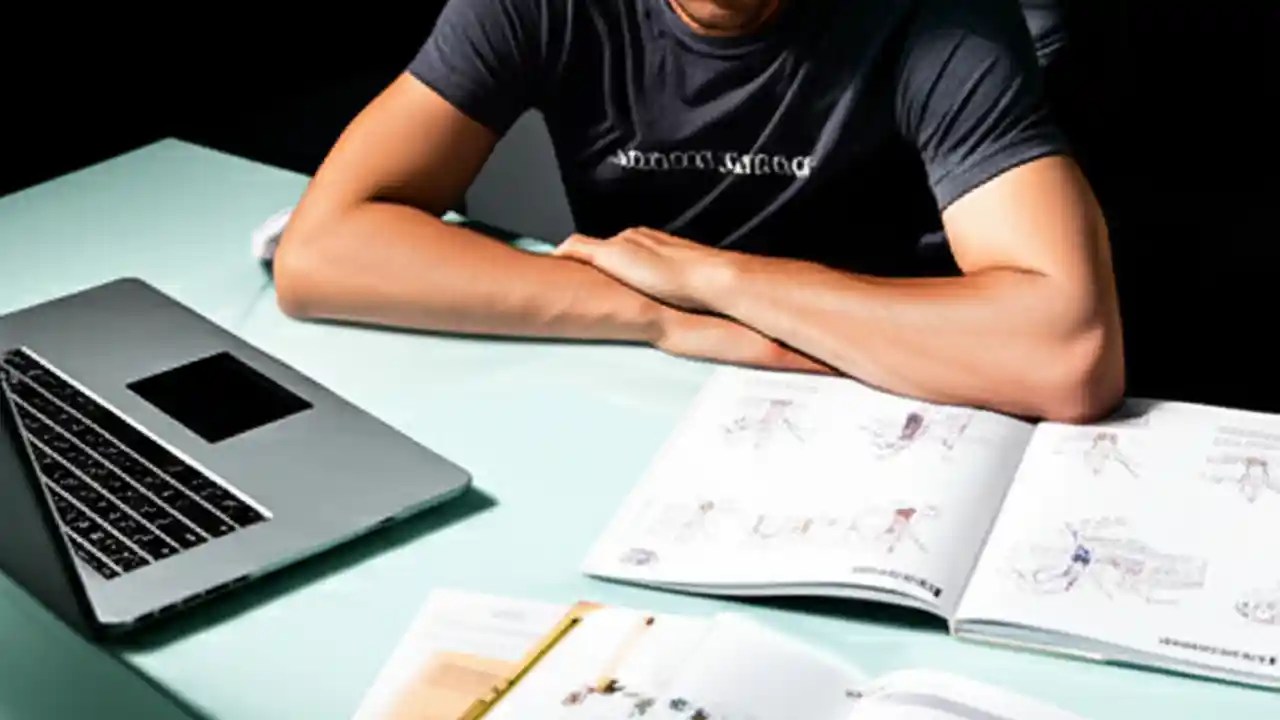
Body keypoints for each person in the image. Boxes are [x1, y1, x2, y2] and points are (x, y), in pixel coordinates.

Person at [273, 0, 1125, 423]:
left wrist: (719, 281)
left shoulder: (943, 20)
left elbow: (1069, 354)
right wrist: (661, 315)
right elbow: (321, 252)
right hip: (653, 390)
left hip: (890, 390)